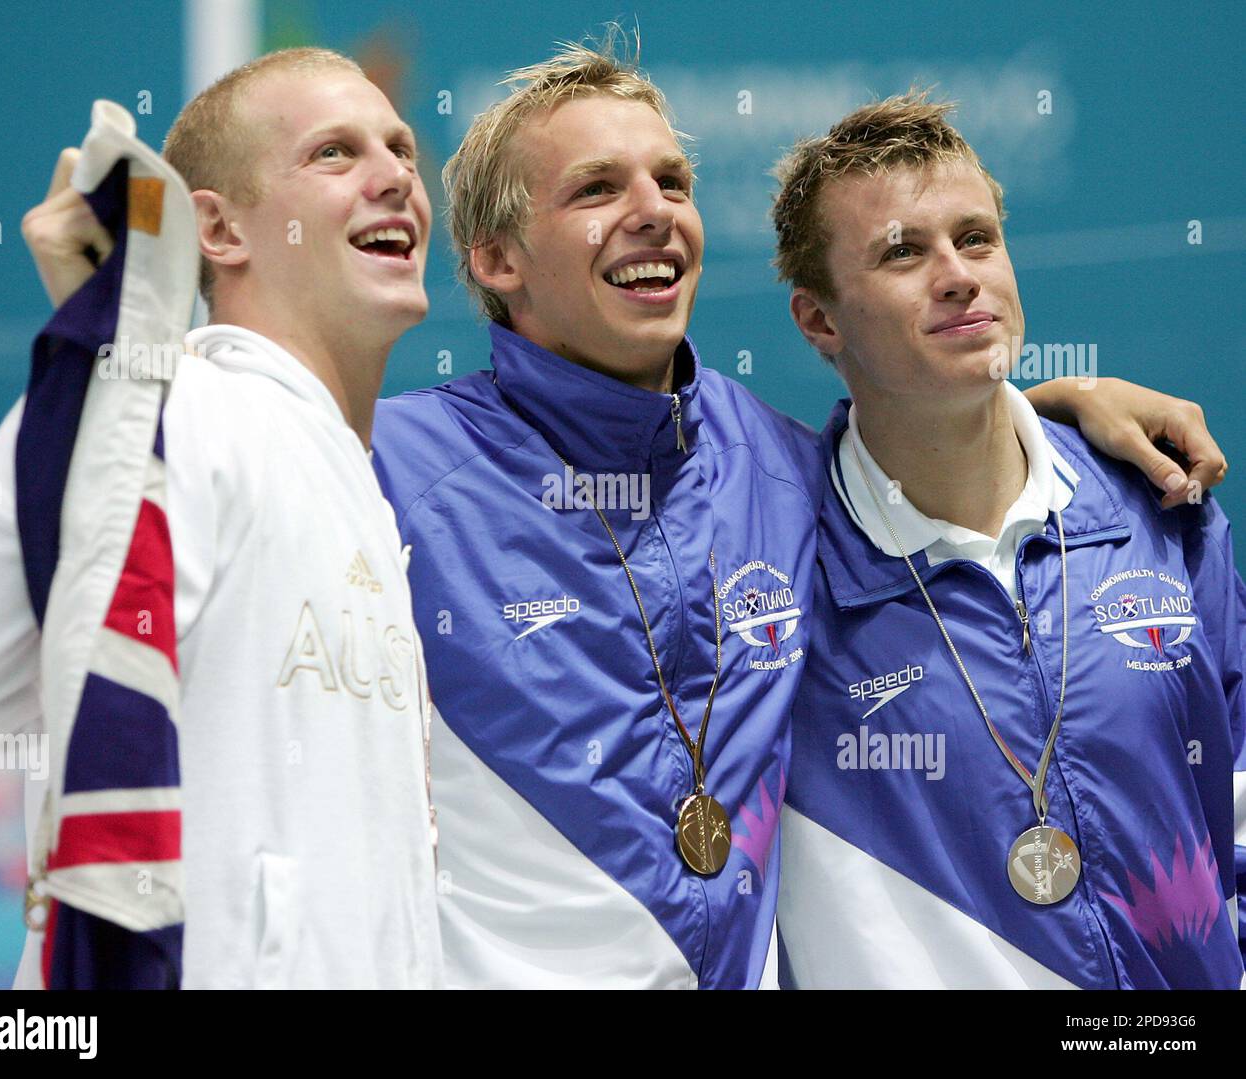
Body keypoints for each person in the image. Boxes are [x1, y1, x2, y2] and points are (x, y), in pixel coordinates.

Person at [368, 36, 1229, 988]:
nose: (653, 212)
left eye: (673, 180)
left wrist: (1059, 409)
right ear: (494, 258)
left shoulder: (782, 474)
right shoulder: (386, 467)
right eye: (597, 189)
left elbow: (930, 416)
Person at [0, 47, 442, 988]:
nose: (396, 179)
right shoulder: (180, 411)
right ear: (214, 227)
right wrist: (106, 377)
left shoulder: (359, 491)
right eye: (335, 154)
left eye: (402, 149)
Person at [771, 92, 1245, 989]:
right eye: (904, 252)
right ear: (818, 321)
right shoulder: (779, 564)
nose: (958, 275)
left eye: (977, 239)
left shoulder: (1156, 505)